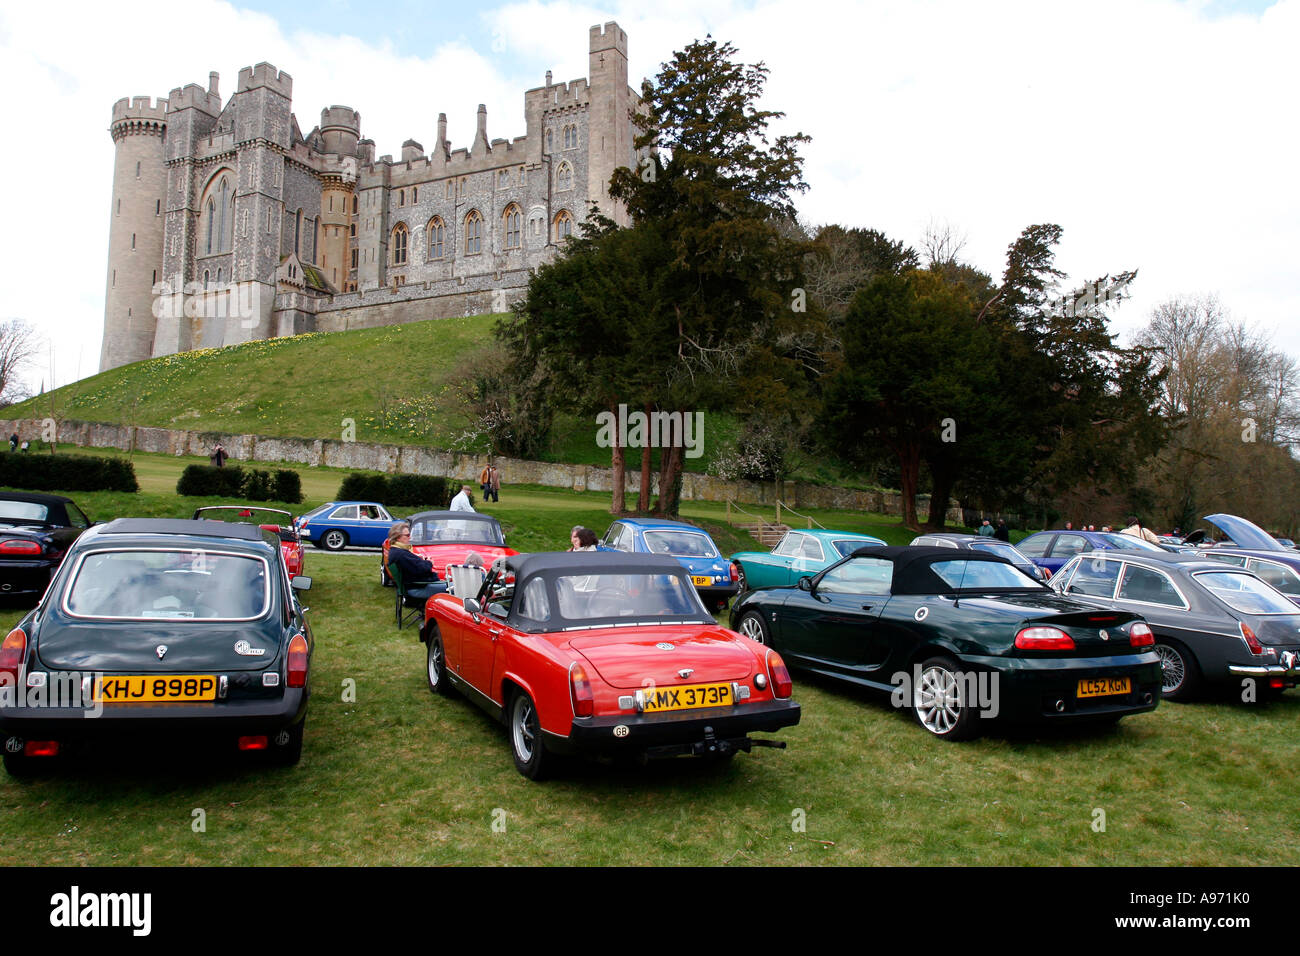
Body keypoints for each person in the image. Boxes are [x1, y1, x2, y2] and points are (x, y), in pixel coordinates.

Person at [386, 523, 446, 598]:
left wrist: (421, 560)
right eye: (407, 535)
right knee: (455, 588)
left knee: (453, 585)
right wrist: (429, 562)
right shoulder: (401, 554)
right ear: (398, 537)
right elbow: (422, 569)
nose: (410, 537)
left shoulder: (396, 551)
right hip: (417, 588)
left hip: (416, 586)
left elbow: (414, 566)